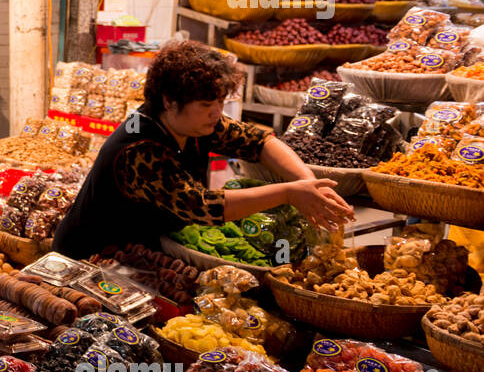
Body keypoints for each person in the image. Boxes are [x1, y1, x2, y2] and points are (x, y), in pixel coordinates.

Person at [52, 40, 354, 260]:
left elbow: (258, 142)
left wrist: (310, 185)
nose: (217, 113)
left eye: (220, 103)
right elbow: (202, 206)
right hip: (88, 258)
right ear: (170, 101)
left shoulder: (196, 124)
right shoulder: (139, 147)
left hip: (141, 252)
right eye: (207, 105)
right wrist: (289, 193)